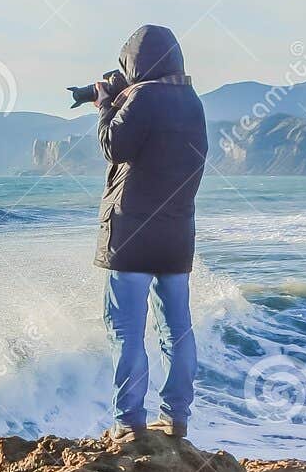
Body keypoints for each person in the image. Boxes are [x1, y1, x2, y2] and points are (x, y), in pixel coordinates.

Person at [76, 24, 207, 442]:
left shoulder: (144, 97)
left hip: (131, 233)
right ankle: (176, 418)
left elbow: (116, 146)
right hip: (176, 235)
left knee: (126, 329)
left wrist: (103, 105)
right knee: (176, 329)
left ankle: (128, 421)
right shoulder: (192, 102)